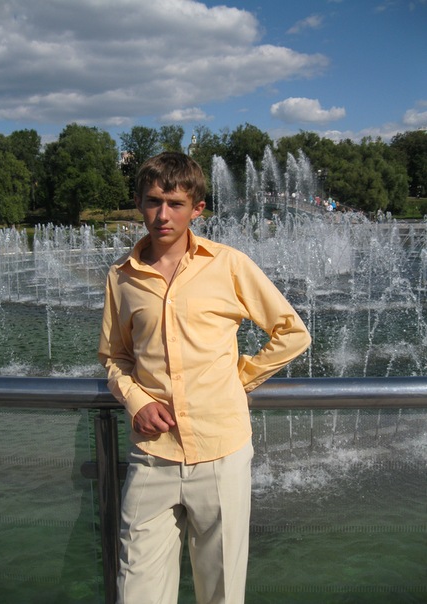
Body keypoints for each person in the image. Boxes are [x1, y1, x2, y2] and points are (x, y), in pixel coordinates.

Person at [98, 152, 311, 604]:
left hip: (221, 452)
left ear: (197, 209)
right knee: (135, 589)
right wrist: (136, 400)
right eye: (154, 201)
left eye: (175, 204)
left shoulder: (229, 264)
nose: (162, 215)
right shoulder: (121, 277)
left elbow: (292, 333)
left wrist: (239, 378)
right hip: (152, 454)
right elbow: (115, 357)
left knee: (222, 592)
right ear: (139, 203)